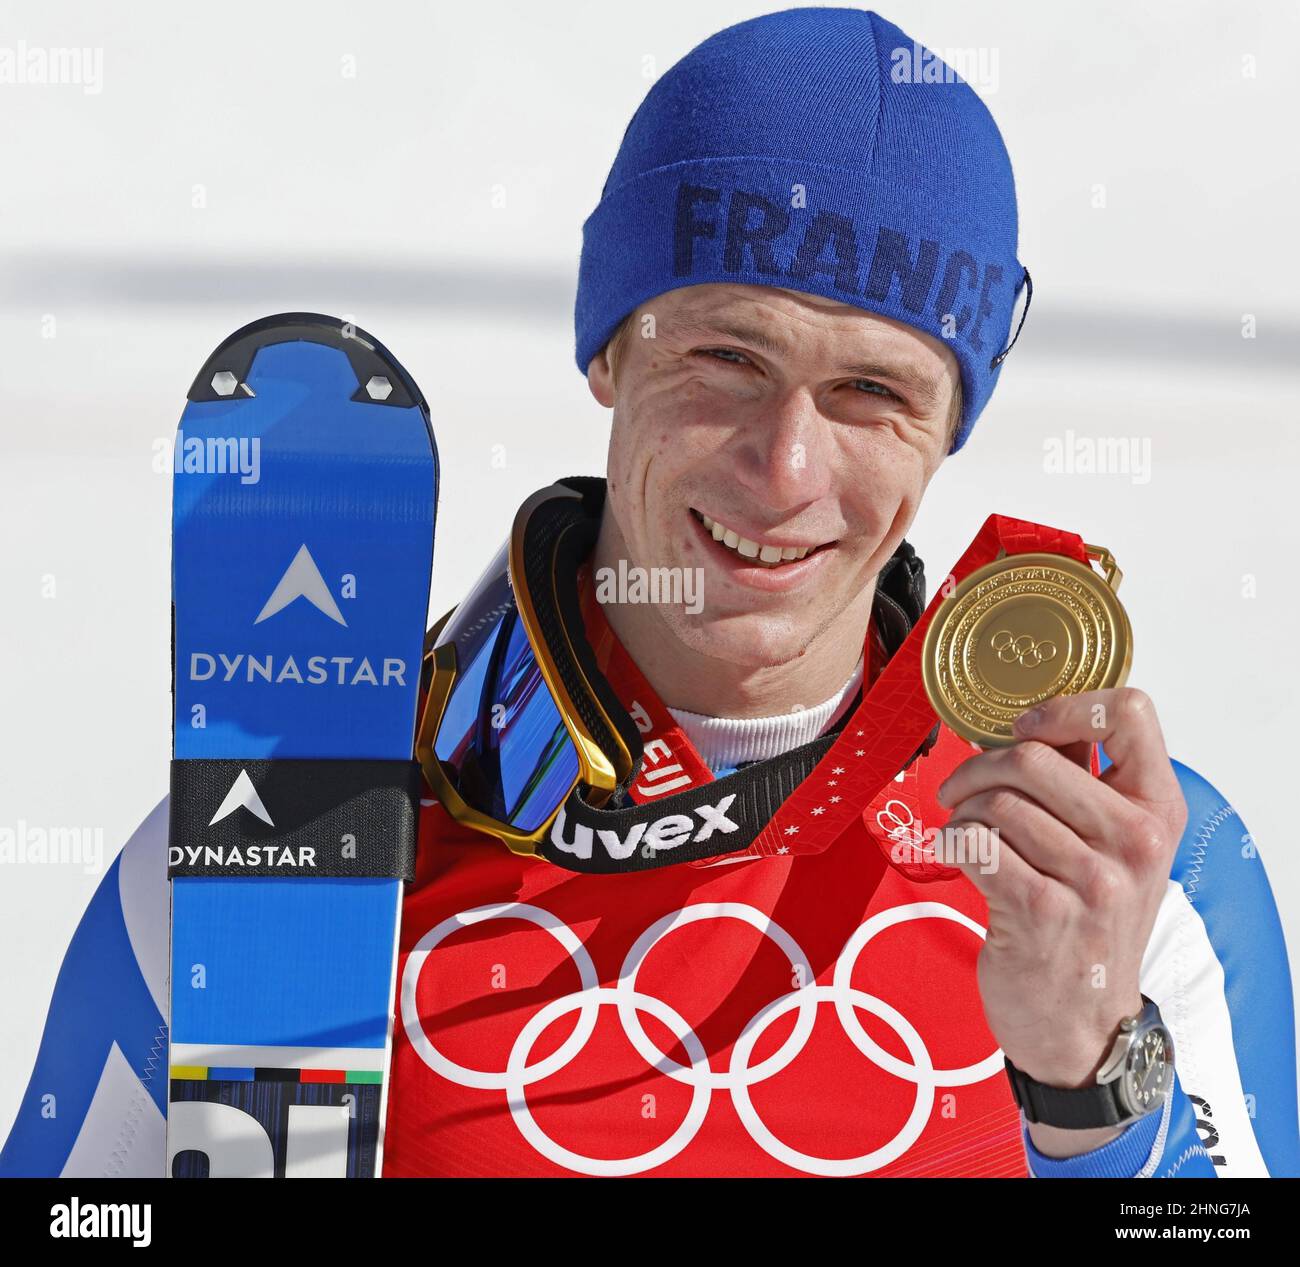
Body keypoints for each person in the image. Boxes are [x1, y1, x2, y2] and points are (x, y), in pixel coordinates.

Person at [3, 6, 1296, 1179]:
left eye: (873, 393)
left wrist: (1084, 1092)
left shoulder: (1121, 867)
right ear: (610, 352)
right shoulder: (284, 836)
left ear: (951, 428)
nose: (786, 468)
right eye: (729, 357)